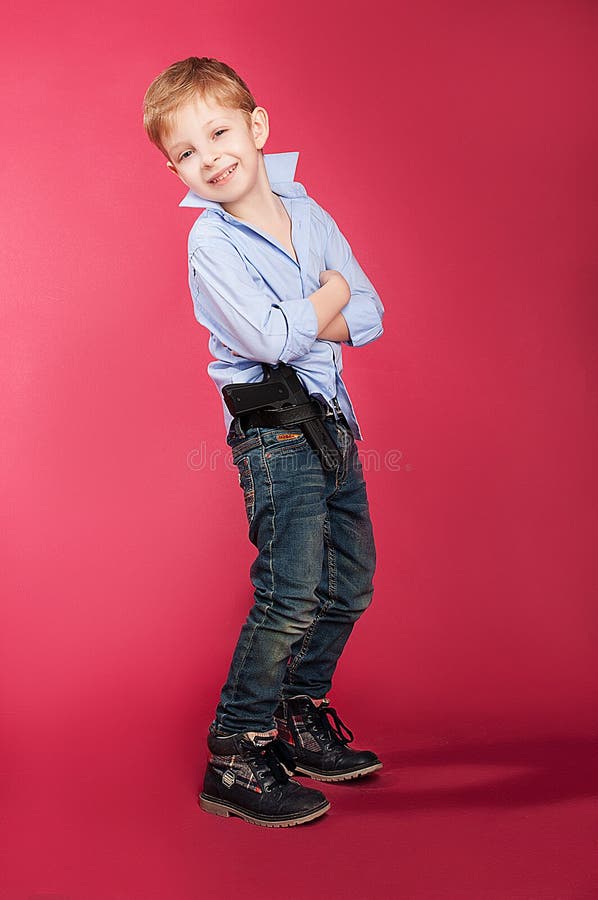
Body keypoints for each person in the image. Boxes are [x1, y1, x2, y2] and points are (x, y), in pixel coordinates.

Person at [143, 56, 385, 828]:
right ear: (174, 165)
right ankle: (237, 752)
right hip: (274, 433)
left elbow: (373, 312)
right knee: (289, 593)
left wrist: (327, 301)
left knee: (350, 585)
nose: (208, 157)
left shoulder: (308, 214)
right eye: (185, 151)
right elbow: (271, 338)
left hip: (336, 423)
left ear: (257, 126)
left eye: (218, 132)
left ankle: (298, 713)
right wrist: (331, 292)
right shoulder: (210, 244)